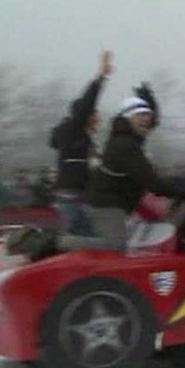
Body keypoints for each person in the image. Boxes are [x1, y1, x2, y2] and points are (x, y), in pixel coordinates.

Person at [10, 83, 185, 259]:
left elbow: (148, 123)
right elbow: (151, 182)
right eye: (140, 115)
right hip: (106, 204)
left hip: (104, 201)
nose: (146, 120)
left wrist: (150, 104)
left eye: (147, 115)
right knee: (115, 245)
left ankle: (54, 243)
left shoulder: (130, 137)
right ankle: (52, 241)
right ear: (127, 119)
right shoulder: (125, 145)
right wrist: (184, 191)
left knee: (93, 240)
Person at [49, 50, 112, 234]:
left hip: (81, 197)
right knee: (83, 240)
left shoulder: (84, 138)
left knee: (84, 238)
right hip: (72, 198)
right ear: (84, 116)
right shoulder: (73, 130)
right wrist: (100, 78)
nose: (98, 119)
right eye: (95, 115)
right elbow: (86, 104)